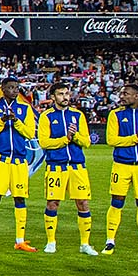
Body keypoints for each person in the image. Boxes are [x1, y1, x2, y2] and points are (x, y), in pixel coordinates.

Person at [0, 78, 39, 252]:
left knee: (20, 198)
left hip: (20, 161)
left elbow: (29, 133)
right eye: (11, 88)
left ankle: (20, 240)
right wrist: (3, 120)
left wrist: (16, 121)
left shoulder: (25, 109)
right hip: (0, 159)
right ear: (2, 89)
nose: (14, 91)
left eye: (16, 88)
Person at [37, 84, 97, 256]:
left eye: (66, 93)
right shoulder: (46, 117)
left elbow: (86, 142)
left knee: (83, 203)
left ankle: (85, 244)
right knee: (53, 203)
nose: (65, 97)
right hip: (56, 166)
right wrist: (65, 139)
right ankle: (51, 242)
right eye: (60, 94)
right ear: (53, 97)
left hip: (78, 166)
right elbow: (44, 142)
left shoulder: (78, 116)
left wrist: (75, 136)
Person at [102, 83, 138, 255]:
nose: (122, 96)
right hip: (122, 165)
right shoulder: (116, 115)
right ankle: (110, 242)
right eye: (122, 93)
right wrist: (135, 138)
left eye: (126, 94)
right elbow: (112, 140)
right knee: (116, 202)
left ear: (136, 97)